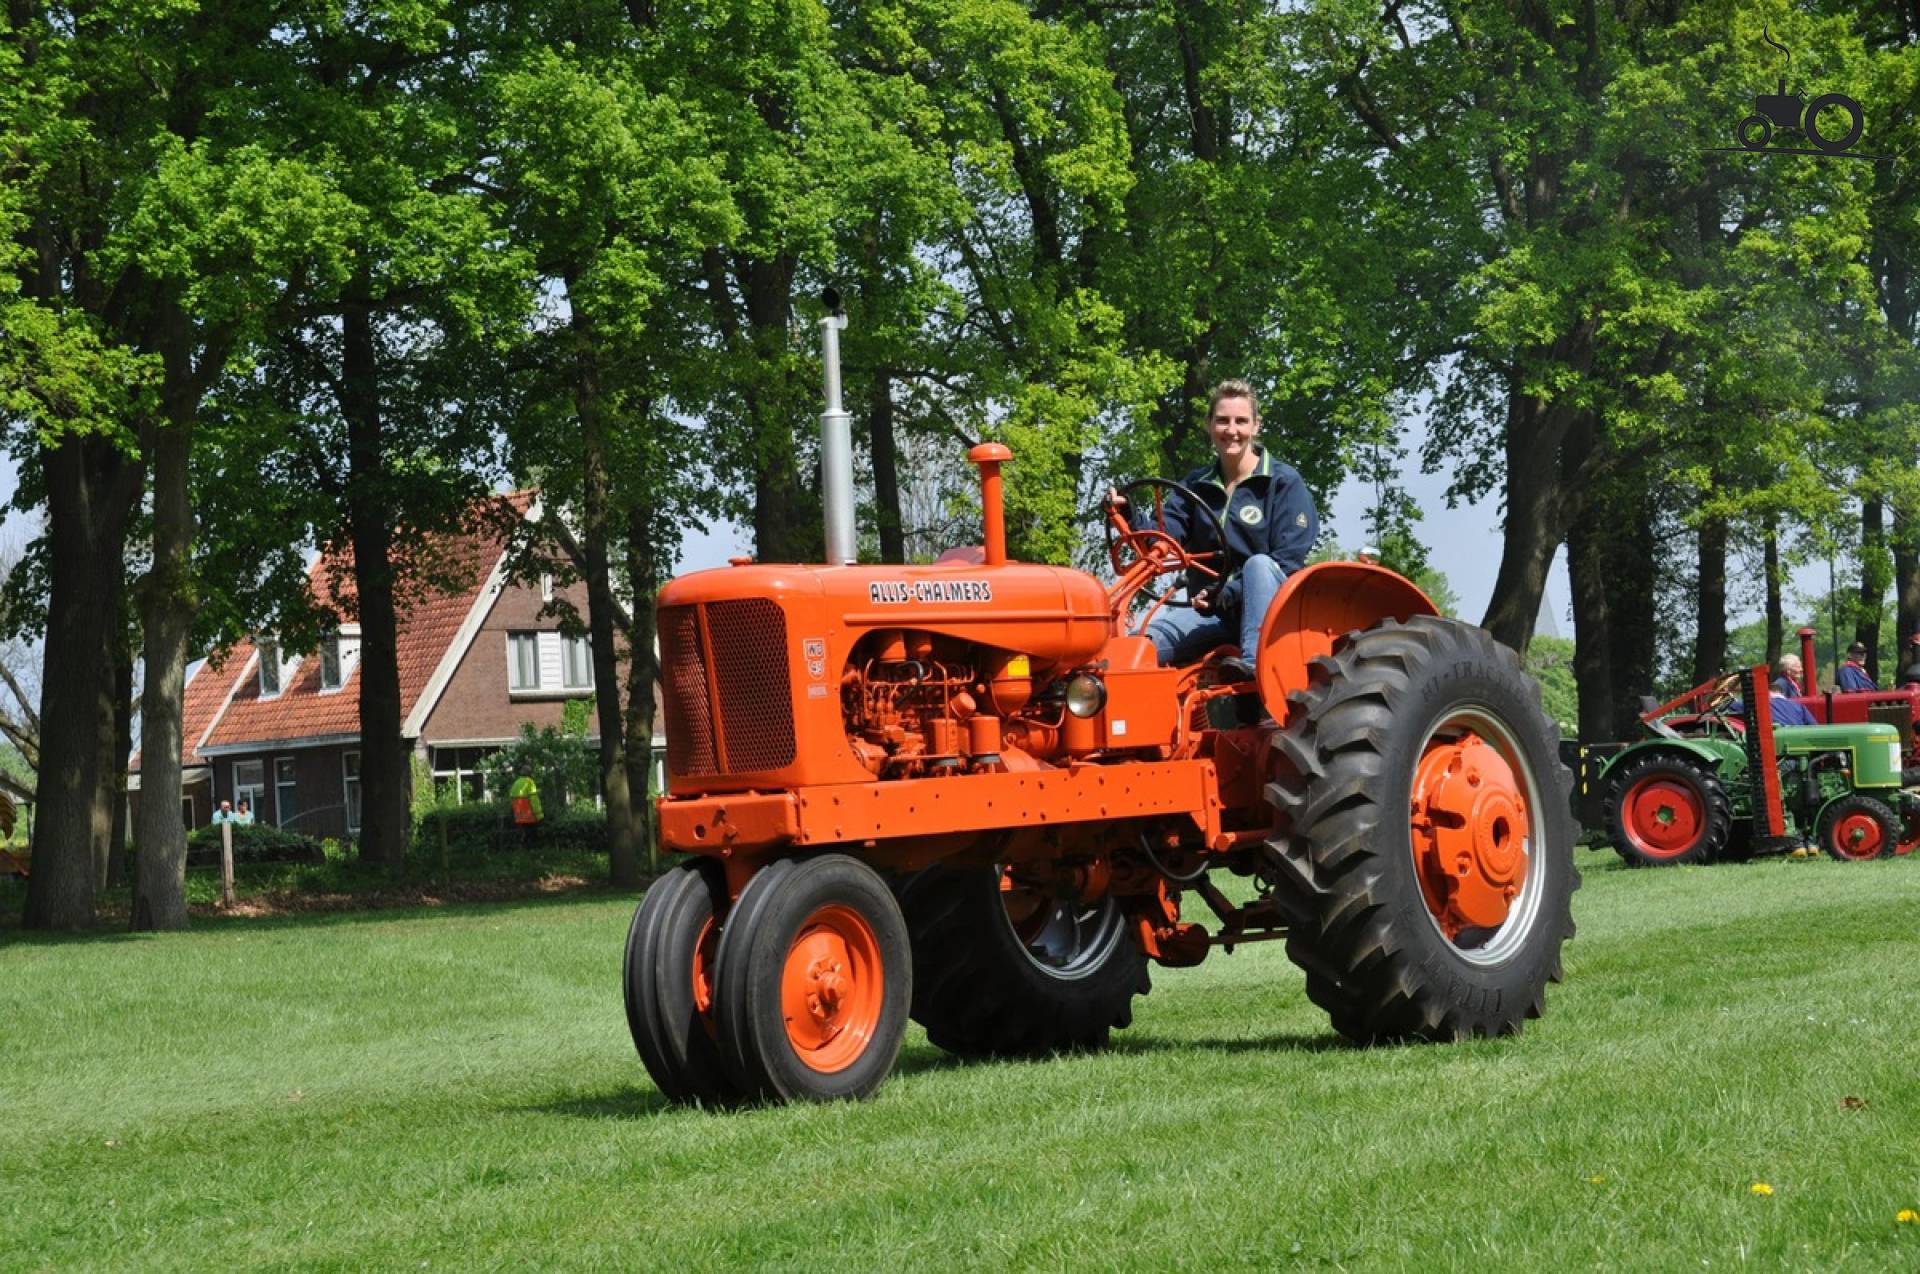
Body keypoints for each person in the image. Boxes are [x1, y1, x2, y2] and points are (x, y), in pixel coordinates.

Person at [1111, 379, 1319, 679]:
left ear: (1256, 426)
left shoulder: (1282, 482)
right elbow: (1163, 539)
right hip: (1209, 610)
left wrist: (1230, 591)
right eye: (1222, 420)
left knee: (1258, 564)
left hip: (1270, 612)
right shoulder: (1196, 485)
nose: (1231, 430)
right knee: (1137, 648)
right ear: (1209, 425)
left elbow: (1288, 560)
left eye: (1241, 421)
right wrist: (1129, 514)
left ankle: (1252, 670)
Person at [508, 768, 543, 848]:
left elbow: (512, 800)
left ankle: (523, 851)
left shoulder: (516, 783)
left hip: (519, 815)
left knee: (524, 834)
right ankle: (531, 853)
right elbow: (534, 800)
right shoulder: (530, 782)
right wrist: (539, 815)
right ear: (530, 774)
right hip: (529, 815)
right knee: (532, 834)